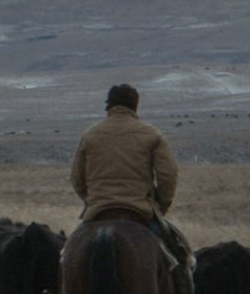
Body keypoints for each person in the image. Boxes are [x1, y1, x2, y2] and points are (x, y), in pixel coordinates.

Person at [71, 81, 190, 276]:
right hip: (140, 212)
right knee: (181, 258)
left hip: (97, 212)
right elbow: (168, 175)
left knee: (66, 255)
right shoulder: (151, 134)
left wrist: (92, 199)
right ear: (135, 105)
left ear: (108, 105)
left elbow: (76, 179)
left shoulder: (89, 136)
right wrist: (161, 206)